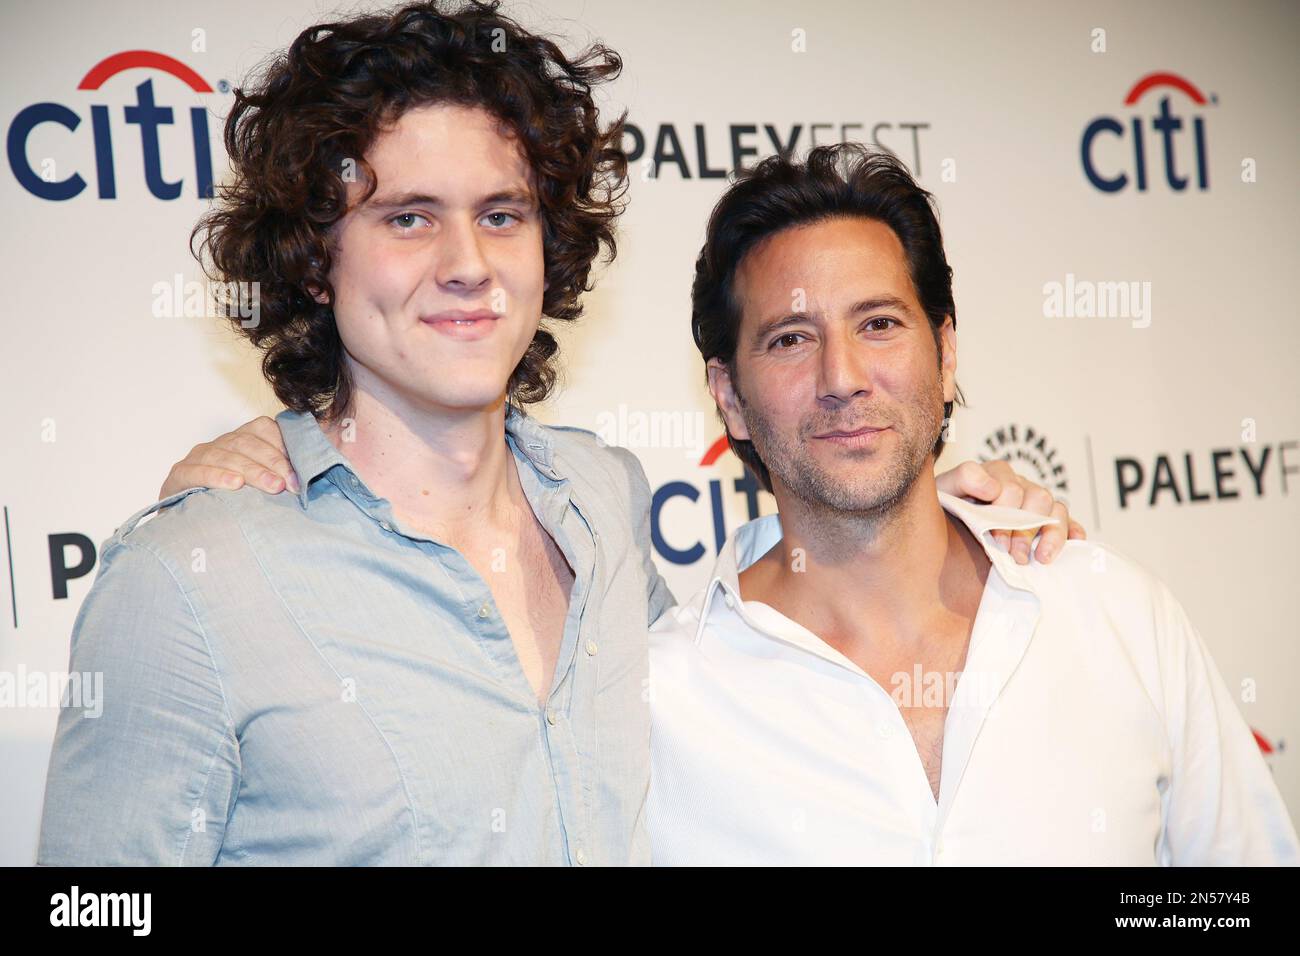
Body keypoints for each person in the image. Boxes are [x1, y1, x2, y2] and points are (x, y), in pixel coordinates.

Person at [40, 1, 1081, 866]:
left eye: (501, 213)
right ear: (316, 262)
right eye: (408, 217)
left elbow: (771, 634)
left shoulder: (605, 499)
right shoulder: (190, 578)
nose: (465, 262)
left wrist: (938, 516)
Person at [645, 143, 1299, 865]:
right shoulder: (661, 712)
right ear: (730, 397)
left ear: (946, 352)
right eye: (792, 339)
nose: (843, 376)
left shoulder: (1113, 613)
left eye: (879, 324)